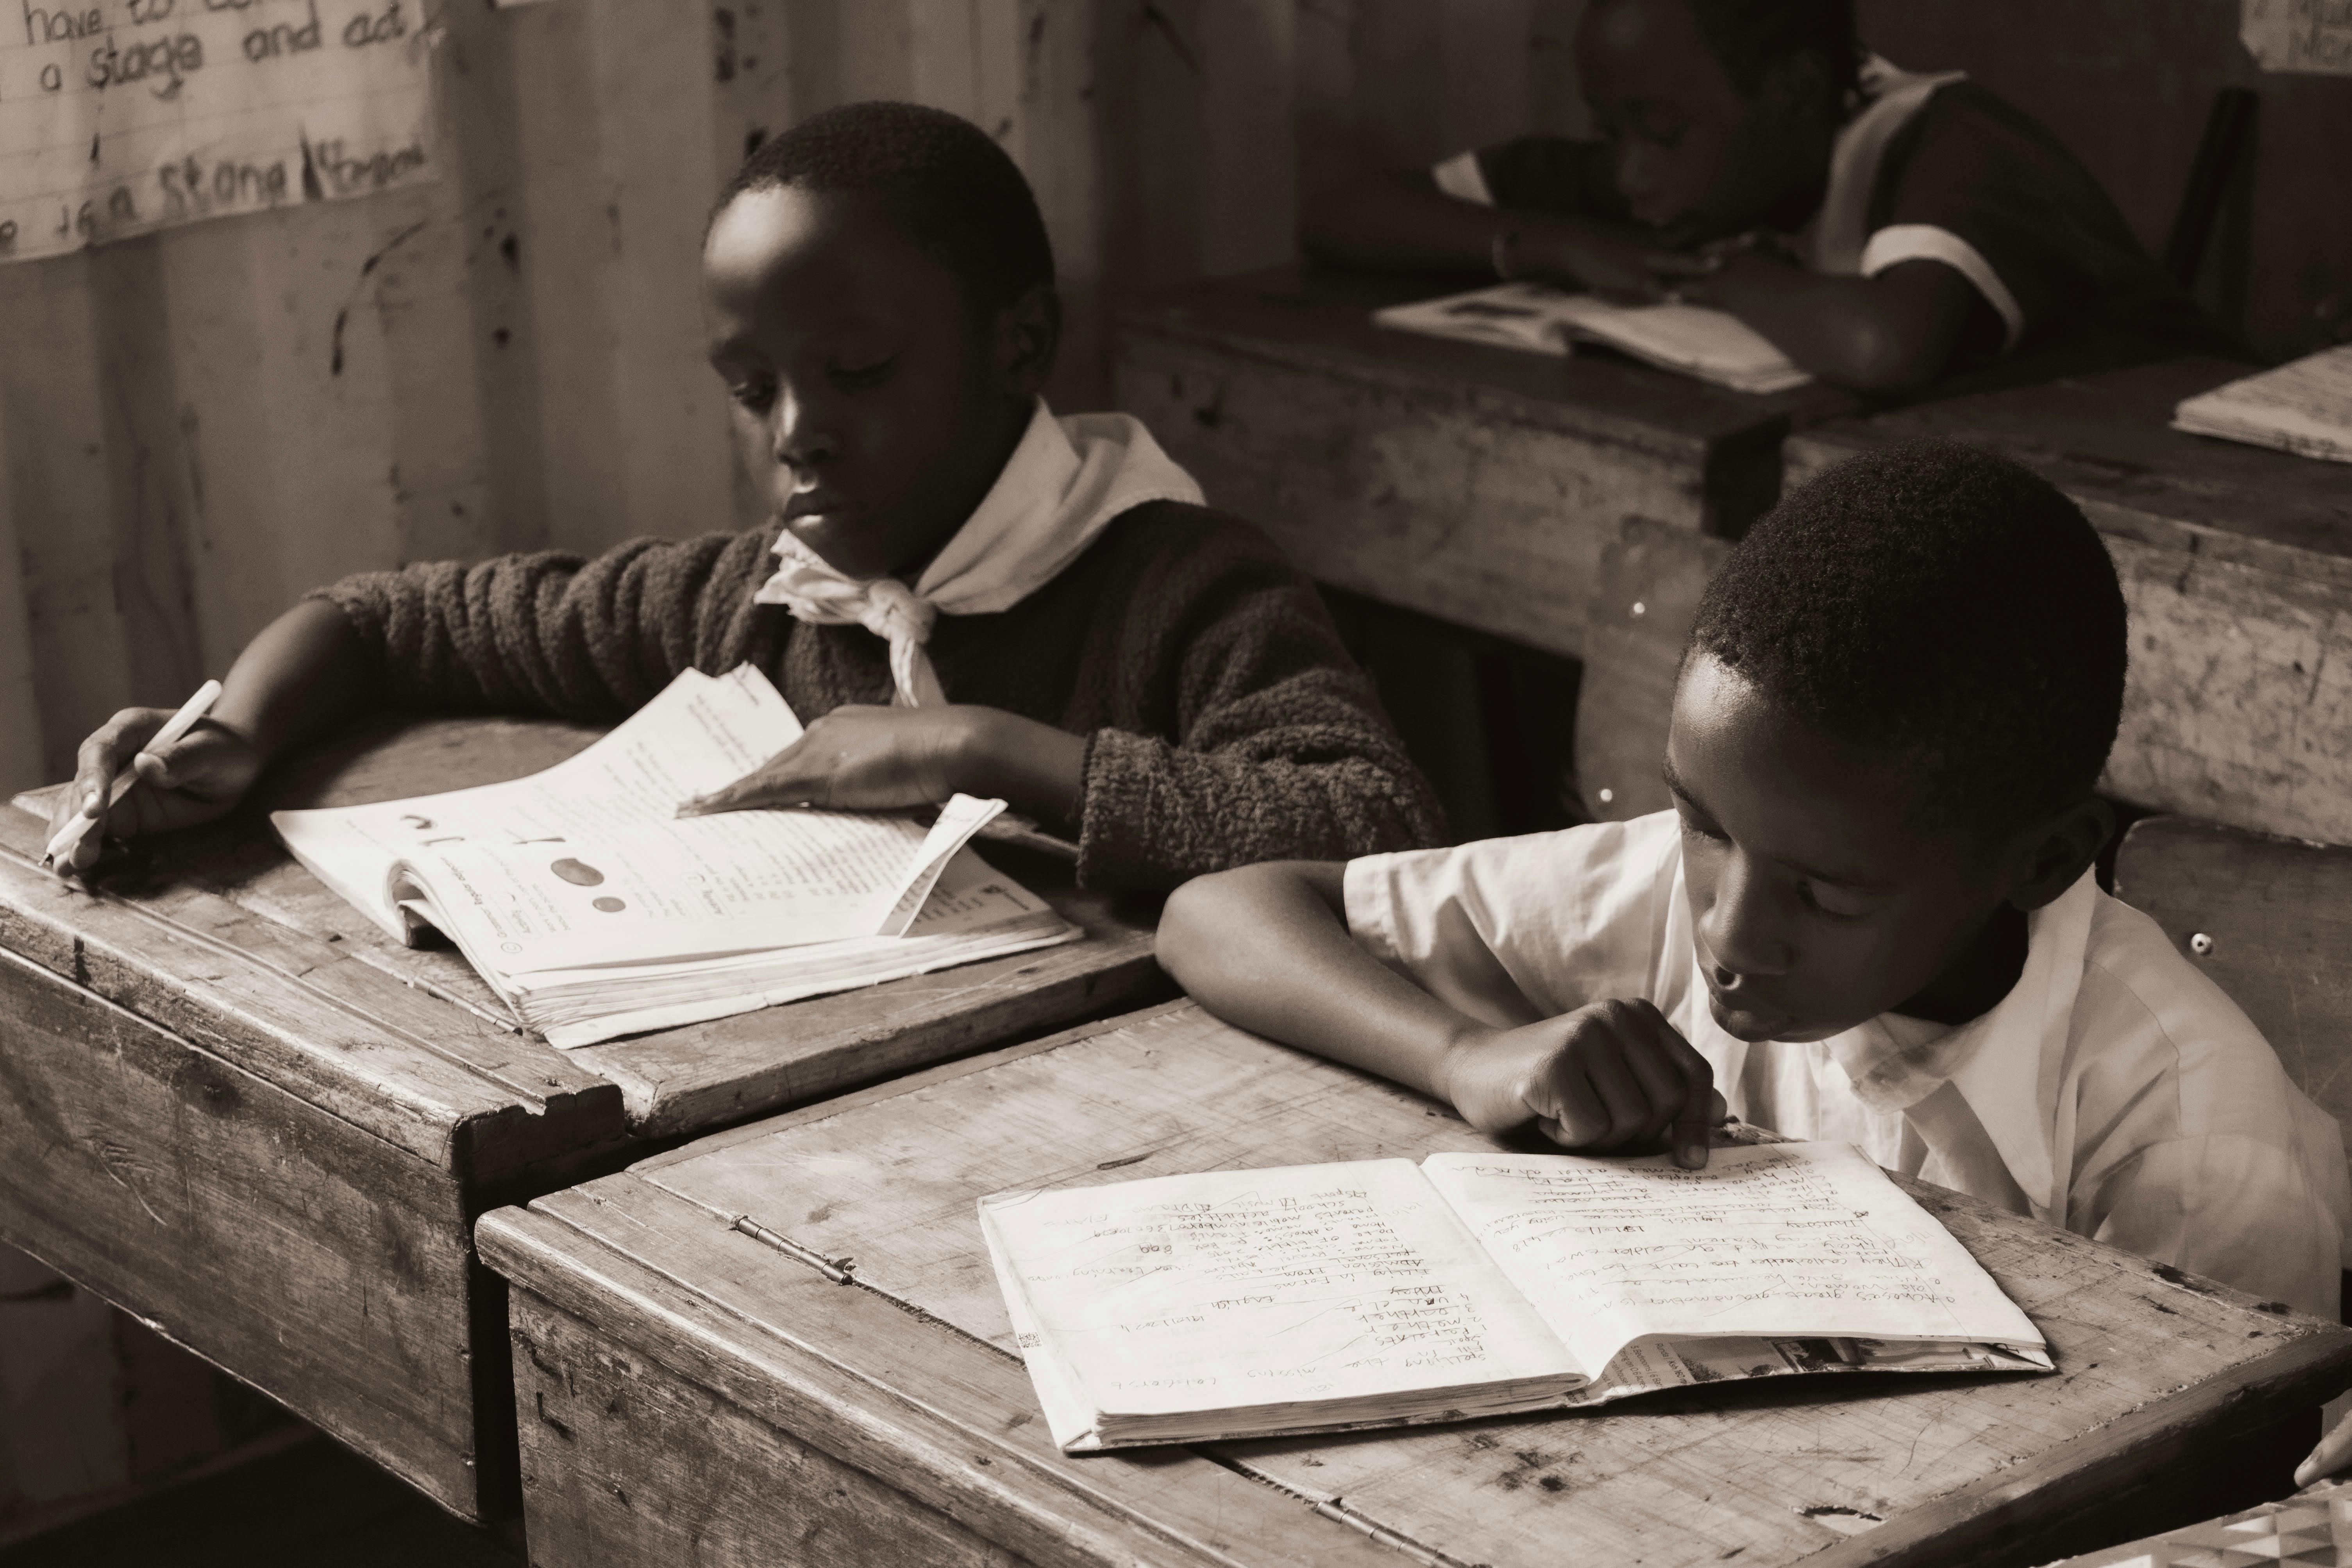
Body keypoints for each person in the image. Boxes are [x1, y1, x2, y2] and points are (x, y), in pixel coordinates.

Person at [49, 102, 1443, 892]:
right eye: (751, 391)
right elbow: (387, 618)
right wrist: (230, 729)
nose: (797, 437)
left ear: (1020, 343)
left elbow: (1379, 825)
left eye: (856, 371)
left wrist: (977, 748)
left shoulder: (1183, 588)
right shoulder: (761, 602)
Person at [1160, 440, 2350, 1319]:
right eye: (1699, 822)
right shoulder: (1694, 884)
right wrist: (1463, 1052)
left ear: (2039, 858)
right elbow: (1219, 913)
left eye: (1826, 897)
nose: (1730, 929)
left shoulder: (2190, 1148)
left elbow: (2205, 1494)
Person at [1306, 0, 2223, 392]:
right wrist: (1543, 244)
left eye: (1659, 134)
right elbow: (1339, 215)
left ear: (1789, 92)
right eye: (1609, 131)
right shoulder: (1676, 173)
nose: (1629, 173)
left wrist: (1712, 275)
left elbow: (1888, 344)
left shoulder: (1947, 140)